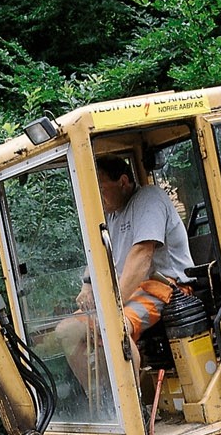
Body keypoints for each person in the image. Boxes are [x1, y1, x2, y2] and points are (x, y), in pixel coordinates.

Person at [57, 154, 195, 392]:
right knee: (66, 331)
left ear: (122, 181)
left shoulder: (149, 199)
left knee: (113, 326)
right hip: (125, 288)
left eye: (100, 187)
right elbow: (97, 254)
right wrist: (87, 287)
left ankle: (132, 408)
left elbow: (142, 258)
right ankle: (104, 402)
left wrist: (110, 306)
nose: (97, 196)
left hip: (163, 285)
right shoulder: (109, 212)